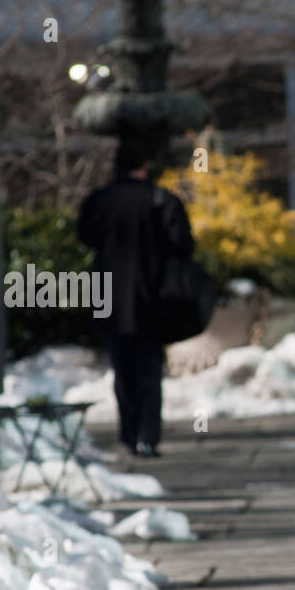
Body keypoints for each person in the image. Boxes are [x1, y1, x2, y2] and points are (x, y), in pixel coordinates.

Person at [79, 137, 194, 458]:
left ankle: (129, 433)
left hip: (110, 298)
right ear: (144, 166)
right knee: (149, 371)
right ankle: (147, 435)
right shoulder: (161, 200)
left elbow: (84, 236)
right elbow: (183, 246)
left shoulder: (100, 201)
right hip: (152, 299)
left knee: (123, 370)